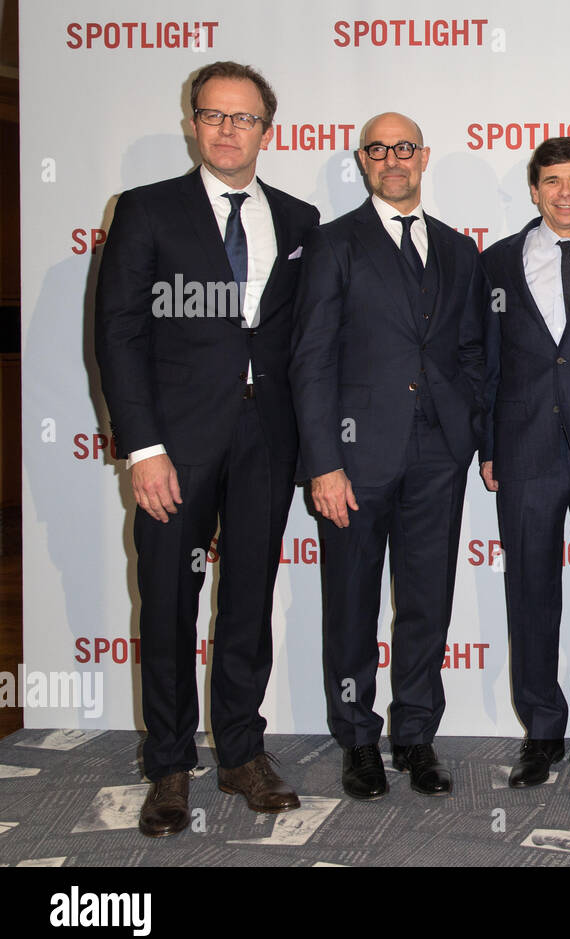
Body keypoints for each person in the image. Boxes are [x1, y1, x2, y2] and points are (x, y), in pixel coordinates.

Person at [95, 61, 319, 837]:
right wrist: (143, 447)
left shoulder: (299, 218)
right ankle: (167, 765)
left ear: (268, 129)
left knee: (248, 600)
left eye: (245, 118)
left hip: (267, 441)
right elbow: (118, 333)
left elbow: (303, 341)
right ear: (193, 122)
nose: (229, 129)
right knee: (167, 605)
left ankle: (241, 752)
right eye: (215, 115)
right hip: (175, 446)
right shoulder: (147, 210)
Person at [290, 112, 488, 801]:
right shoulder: (333, 243)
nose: (394, 159)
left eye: (405, 148)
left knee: (427, 603)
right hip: (351, 457)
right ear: (363, 160)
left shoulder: (460, 251)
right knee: (350, 604)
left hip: (439, 456)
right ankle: (355, 739)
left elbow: (469, 352)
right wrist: (321, 463)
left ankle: (415, 736)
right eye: (380, 149)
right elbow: (311, 358)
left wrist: (474, 437)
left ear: (423, 157)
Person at [479, 138, 570, 787]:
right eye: (552, 181)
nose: (565, 193)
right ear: (534, 191)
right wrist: (488, 446)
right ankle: (541, 726)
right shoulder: (497, 264)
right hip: (525, 451)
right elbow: (484, 362)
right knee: (531, 590)